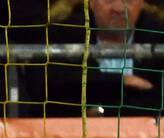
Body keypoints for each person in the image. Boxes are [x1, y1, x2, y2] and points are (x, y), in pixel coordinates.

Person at [22, 0, 164, 118]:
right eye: (109, 0)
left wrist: (102, 111)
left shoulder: (159, 36)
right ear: (91, 2)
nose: (119, 8)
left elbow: (158, 100)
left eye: (129, 1)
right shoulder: (61, 32)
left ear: (141, 3)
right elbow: (44, 86)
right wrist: (121, 82)